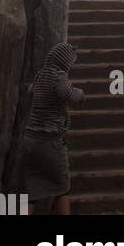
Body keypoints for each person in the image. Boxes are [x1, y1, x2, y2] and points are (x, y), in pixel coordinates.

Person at [21, 41, 85, 215]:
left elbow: (30, 91)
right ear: (64, 62)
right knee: (62, 187)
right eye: (70, 63)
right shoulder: (59, 76)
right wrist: (80, 94)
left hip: (30, 140)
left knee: (32, 191)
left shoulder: (40, 75)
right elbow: (68, 94)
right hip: (49, 141)